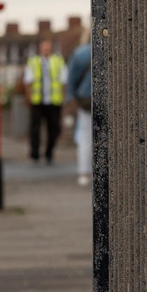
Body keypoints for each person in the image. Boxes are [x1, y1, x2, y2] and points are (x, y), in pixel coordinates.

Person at [23, 38, 67, 165]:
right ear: (40, 49)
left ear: (51, 48)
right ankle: (35, 154)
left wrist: (63, 99)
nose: (46, 49)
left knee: (54, 129)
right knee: (35, 128)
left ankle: (49, 153)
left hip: (54, 101)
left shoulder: (58, 61)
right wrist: (29, 98)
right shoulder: (33, 62)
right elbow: (28, 82)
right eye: (44, 47)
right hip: (37, 101)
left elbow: (64, 81)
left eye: (48, 47)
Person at [67, 42, 92, 187]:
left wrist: (72, 97)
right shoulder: (111, 46)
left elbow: (71, 77)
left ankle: (84, 173)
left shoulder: (80, 52)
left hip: (85, 99)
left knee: (85, 136)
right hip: (107, 98)